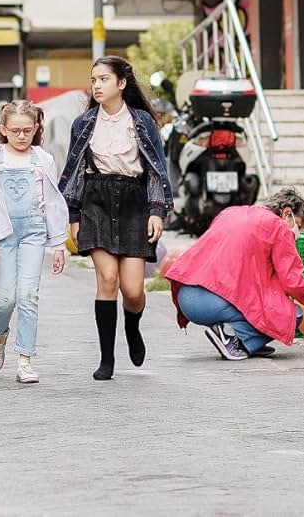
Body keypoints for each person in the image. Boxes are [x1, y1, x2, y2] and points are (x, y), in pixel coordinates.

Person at [58, 56, 174, 381]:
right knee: (107, 280)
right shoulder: (83, 124)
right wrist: (74, 215)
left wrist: (157, 211)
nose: (96, 85)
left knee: (133, 290)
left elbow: (156, 169)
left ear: (121, 83)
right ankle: (106, 359)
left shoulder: (142, 122)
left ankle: (133, 327)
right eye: (93, 80)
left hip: (134, 202)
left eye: (104, 79)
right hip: (96, 200)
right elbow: (76, 171)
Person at [165, 188, 304, 360]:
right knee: (292, 314)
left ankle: (250, 343)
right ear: (287, 213)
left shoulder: (230, 212)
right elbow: (293, 282)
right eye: (298, 226)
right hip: (212, 299)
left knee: (267, 306)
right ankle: (238, 339)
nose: (297, 233)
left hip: (186, 294)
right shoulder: (279, 227)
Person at [0, 100, 68, 384]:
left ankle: (25, 359)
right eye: (15, 130)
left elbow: (52, 203)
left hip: (34, 232)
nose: (21, 136)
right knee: (5, 299)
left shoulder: (44, 160)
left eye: (27, 130)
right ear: (3, 129)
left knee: (28, 295)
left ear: (36, 128)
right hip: (3, 233)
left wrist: (59, 244)